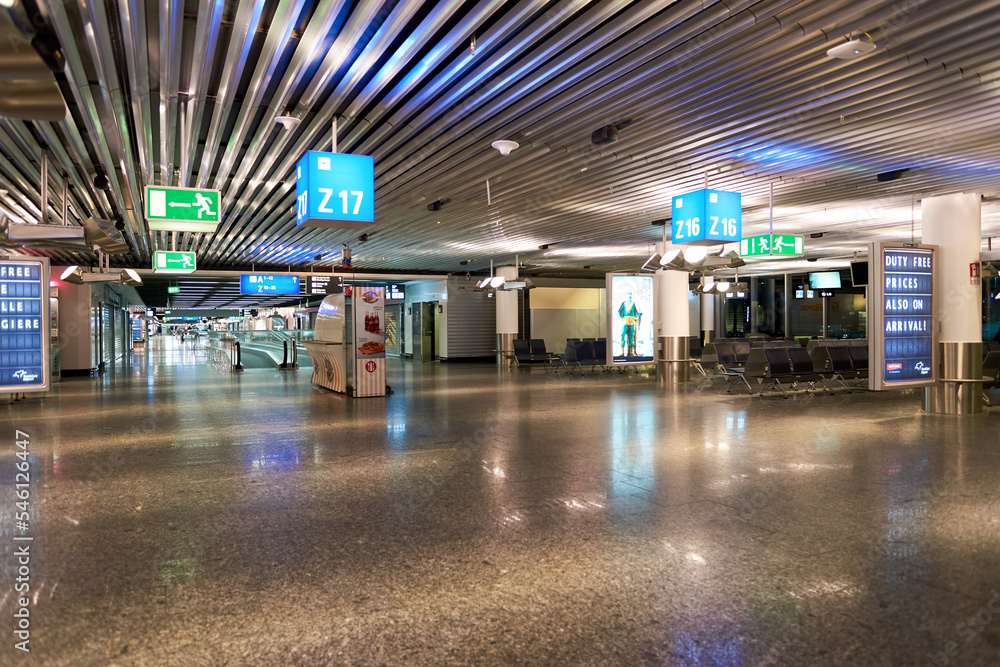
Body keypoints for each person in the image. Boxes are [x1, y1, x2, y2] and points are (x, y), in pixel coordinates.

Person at [618, 290, 641, 357]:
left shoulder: (634, 303)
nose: (629, 295)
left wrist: (637, 318)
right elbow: (619, 311)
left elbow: (639, 312)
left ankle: (633, 351)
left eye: (630, 294)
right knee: (622, 335)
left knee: (632, 336)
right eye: (628, 294)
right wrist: (621, 318)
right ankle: (622, 352)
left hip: (632, 320)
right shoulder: (624, 303)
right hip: (625, 320)